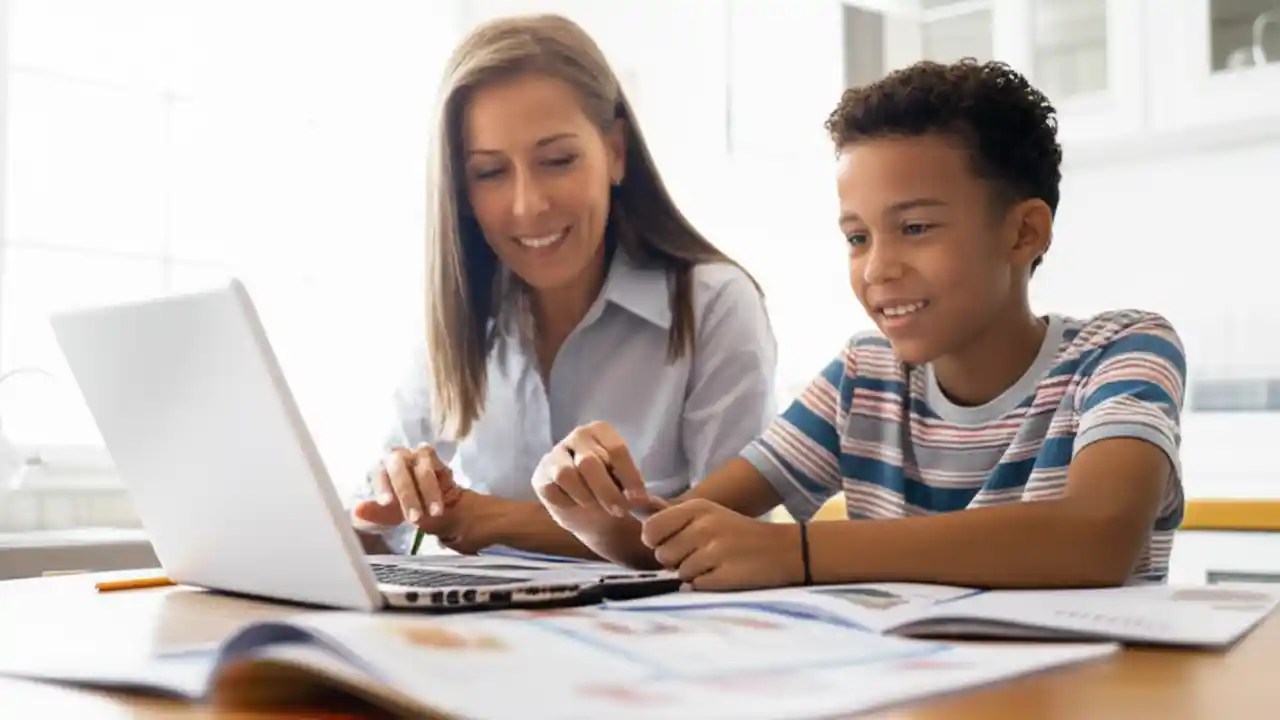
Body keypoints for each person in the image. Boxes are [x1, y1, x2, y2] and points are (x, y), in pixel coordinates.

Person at [533, 59, 1186, 590]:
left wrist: (801, 552)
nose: (878, 268)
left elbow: (1095, 538)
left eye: (915, 228)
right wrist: (597, 515)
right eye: (856, 237)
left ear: (1023, 232)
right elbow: (688, 537)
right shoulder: (862, 377)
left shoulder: (1122, 350)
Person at [348, 14, 776, 558]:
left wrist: (495, 520)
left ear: (615, 153)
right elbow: (370, 532)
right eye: (489, 173)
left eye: (557, 161)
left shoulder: (712, 305)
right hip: (478, 633)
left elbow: (731, 537)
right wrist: (392, 499)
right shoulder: (463, 313)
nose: (529, 205)